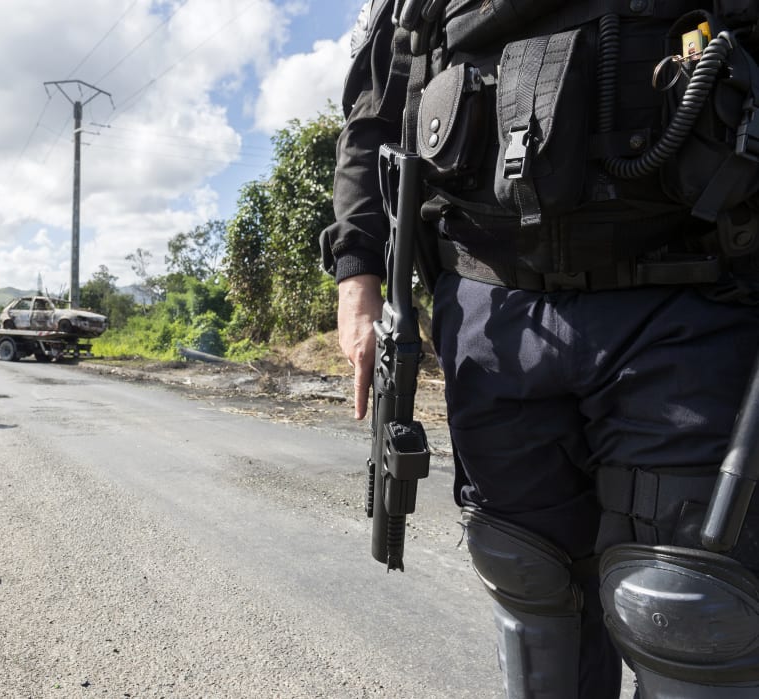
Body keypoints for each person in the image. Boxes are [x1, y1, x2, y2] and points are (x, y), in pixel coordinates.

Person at [321, 2, 759, 697]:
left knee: (688, 613)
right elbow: (375, 110)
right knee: (528, 587)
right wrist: (358, 277)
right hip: (491, 315)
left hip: (691, 304)